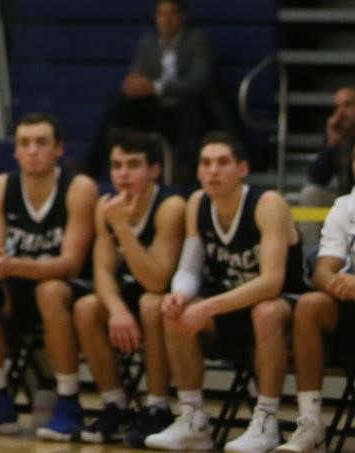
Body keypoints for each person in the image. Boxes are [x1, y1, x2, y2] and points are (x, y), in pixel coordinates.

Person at [143, 134, 304, 453]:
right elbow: (190, 267)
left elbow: (272, 282)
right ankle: (193, 420)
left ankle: (266, 422)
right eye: (206, 163)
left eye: (222, 163)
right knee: (174, 311)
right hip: (232, 308)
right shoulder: (198, 203)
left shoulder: (267, 203)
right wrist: (179, 294)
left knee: (266, 311)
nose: (212, 171)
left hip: (288, 311)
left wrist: (209, 306)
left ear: (242, 168)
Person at [0, 112, 98, 438]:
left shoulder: (79, 187)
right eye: (25, 144)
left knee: (49, 291)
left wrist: (13, 265)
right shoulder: (1, 187)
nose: (33, 150)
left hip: (71, 288)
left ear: (59, 149)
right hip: (19, 287)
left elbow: (71, 263)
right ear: (15, 151)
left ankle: (69, 401)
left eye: (41, 143)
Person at [74, 130, 185, 447]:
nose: (123, 173)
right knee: (87, 307)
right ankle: (115, 405)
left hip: (174, 299)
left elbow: (157, 280)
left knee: (151, 302)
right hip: (131, 295)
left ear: (154, 170)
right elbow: (103, 271)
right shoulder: (105, 206)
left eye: (133, 165)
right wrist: (118, 310)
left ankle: (158, 406)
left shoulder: (170, 206)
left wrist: (122, 227)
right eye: (116, 165)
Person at [282, 142, 355, 453]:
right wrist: (335, 282)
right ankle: (311, 424)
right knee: (310, 305)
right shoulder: (344, 207)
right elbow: (324, 269)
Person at [96, 0, 214, 178]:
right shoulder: (147, 43)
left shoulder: (197, 41)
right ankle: (93, 167)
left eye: (171, 13)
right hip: (156, 113)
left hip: (186, 113)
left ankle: (191, 169)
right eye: (161, 14)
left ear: (182, 17)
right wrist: (133, 84)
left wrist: (155, 87)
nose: (166, 20)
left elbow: (198, 82)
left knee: (189, 103)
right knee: (118, 103)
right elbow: (138, 74)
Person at [300, 85, 355, 207]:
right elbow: (317, 177)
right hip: (344, 198)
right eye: (337, 107)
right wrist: (331, 143)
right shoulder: (336, 135)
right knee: (311, 194)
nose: (341, 112)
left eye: (347, 105)